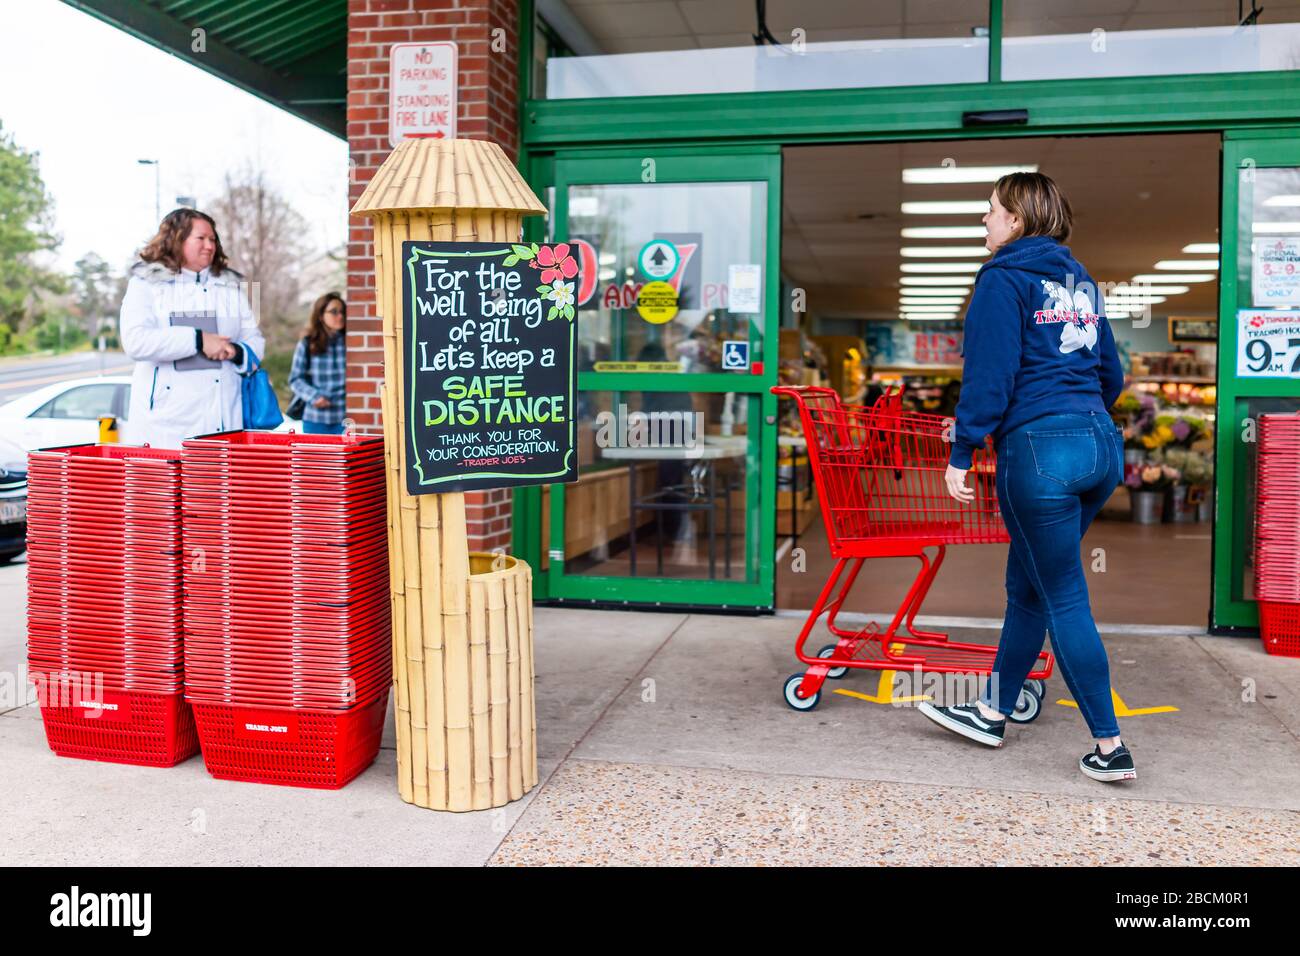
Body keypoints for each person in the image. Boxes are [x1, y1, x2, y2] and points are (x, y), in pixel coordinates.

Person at [916, 172, 1134, 783]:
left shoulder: (1000, 280)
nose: (982, 222)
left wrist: (962, 450)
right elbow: (1111, 373)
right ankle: (992, 711)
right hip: (1098, 447)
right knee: (1032, 584)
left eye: (989, 211)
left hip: (1040, 452)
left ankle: (1110, 745)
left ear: (1016, 219)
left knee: (1062, 592)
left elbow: (990, 375)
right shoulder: (1077, 280)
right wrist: (1078, 415)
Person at [119, 208, 265, 449]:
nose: (210, 245)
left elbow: (255, 340)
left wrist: (236, 351)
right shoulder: (146, 284)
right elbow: (136, 341)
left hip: (224, 421)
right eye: (201, 238)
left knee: (218, 486)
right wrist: (198, 340)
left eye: (213, 239)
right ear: (176, 239)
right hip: (166, 428)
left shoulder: (230, 288)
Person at [288, 292, 347, 435]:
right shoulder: (308, 343)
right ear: (320, 316)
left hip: (346, 421)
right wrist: (314, 397)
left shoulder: (351, 342)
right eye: (334, 312)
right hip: (316, 420)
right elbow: (295, 379)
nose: (340, 316)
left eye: (343, 312)